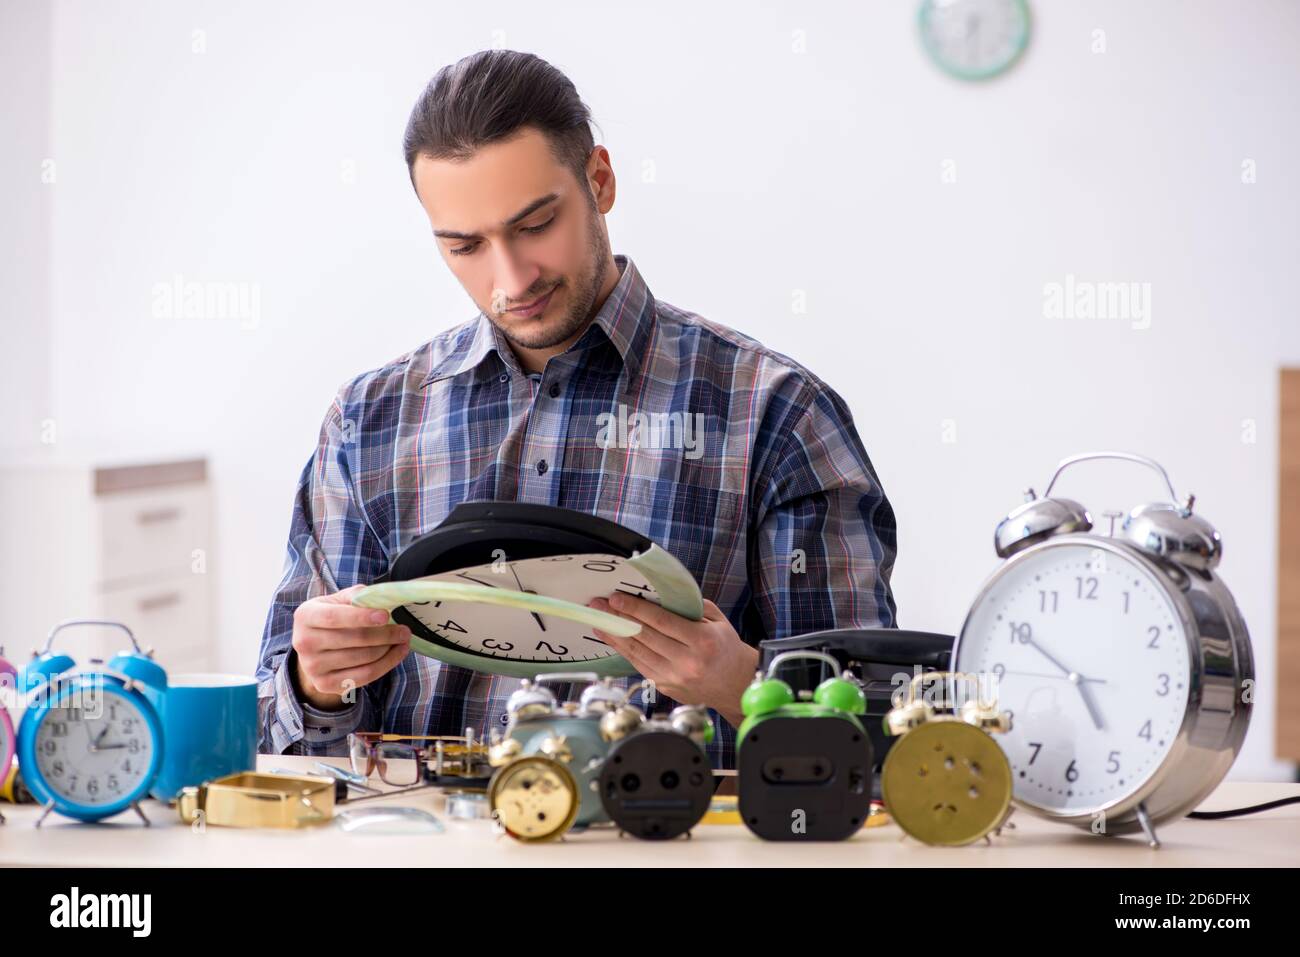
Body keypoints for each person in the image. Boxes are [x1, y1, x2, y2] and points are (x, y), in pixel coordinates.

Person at [255, 49, 897, 768]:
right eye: (465, 245)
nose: (511, 277)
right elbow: (285, 745)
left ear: (600, 179)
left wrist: (738, 682)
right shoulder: (366, 423)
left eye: (534, 225)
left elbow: (868, 738)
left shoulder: (777, 413)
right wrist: (317, 683)